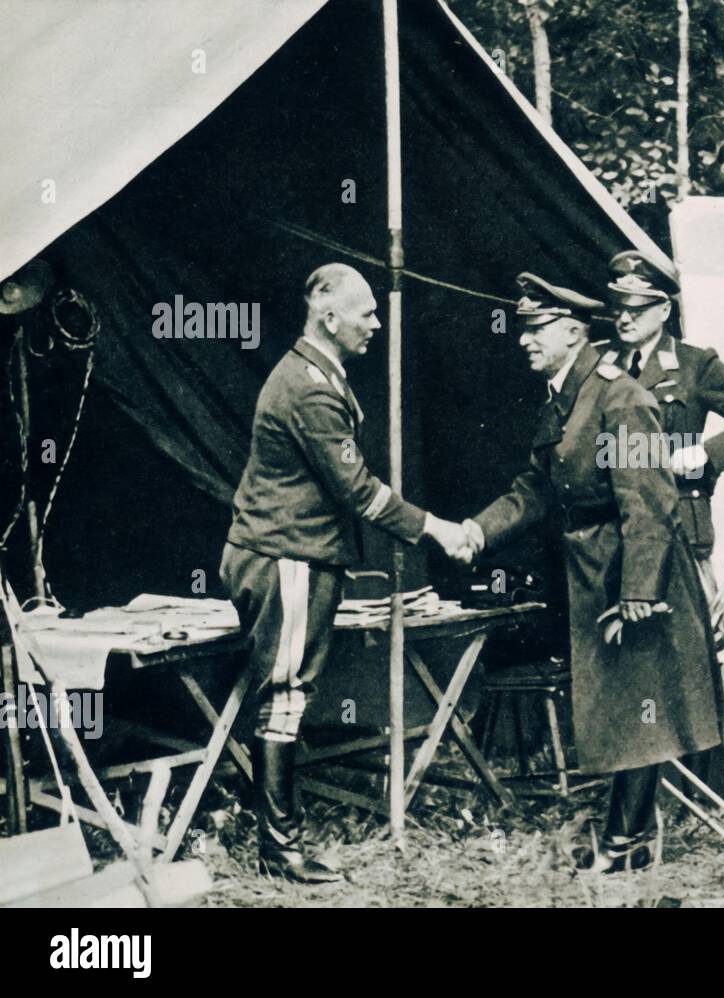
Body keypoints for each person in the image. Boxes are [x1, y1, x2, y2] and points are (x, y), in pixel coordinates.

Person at [457, 272, 721, 872]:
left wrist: (637, 592)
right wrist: (478, 530)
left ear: (574, 331)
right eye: (522, 327)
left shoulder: (618, 396)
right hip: (593, 561)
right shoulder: (565, 395)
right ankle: (628, 839)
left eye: (537, 327)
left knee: (638, 704)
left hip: (633, 564)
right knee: (623, 706)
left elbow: (649, 500)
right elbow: (535, 488)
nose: (524, 338)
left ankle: (627, 844)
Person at [222, 262, 468, 882]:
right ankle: (280, 850)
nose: (376, 325)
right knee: (284, 696)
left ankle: (279, 841)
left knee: (288, 693)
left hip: (294, 553)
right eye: (367, 315)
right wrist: (436, 528)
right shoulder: (307, 385)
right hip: (288, 556)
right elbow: (358, 492)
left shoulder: (316, 373)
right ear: (331, 320)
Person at [602, 249, 724, 791]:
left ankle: (699, 788)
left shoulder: (696, 364)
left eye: (637, 307)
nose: (625, 317)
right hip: (620, 535)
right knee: (628, 664)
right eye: (618, 307)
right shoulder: (602, 367)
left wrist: (705, 455)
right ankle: (633, 791)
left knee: (688, 660)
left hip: (683, 532)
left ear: (664, 309)